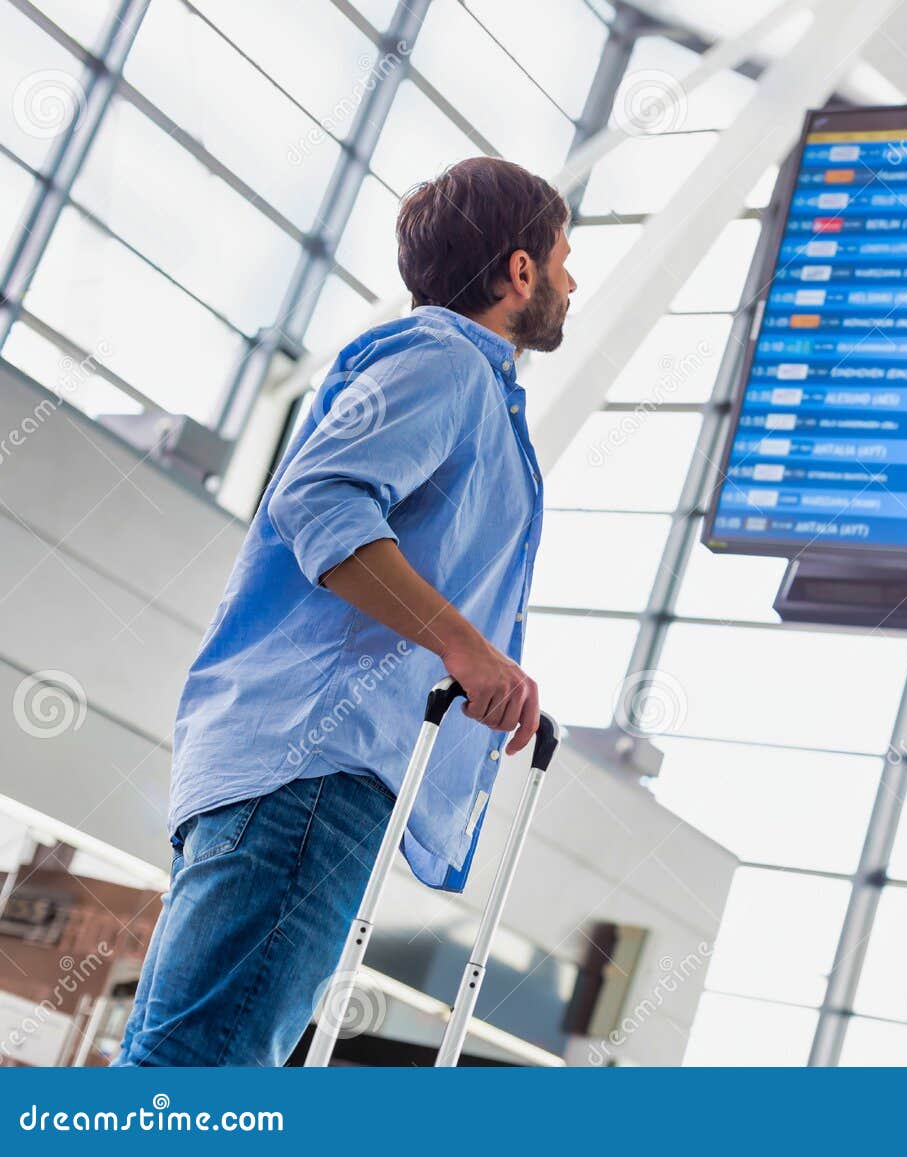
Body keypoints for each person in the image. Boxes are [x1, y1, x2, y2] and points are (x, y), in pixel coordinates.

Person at [115, 157, 575, 1066]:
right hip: (314, 763)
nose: (571, 281)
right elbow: (322, 497)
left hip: (298, 767)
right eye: (563, 258)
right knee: (206, 1074)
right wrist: (466, 648)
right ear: (520, 270)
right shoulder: (446, 360)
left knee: (187, 1060)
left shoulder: (452, 375)